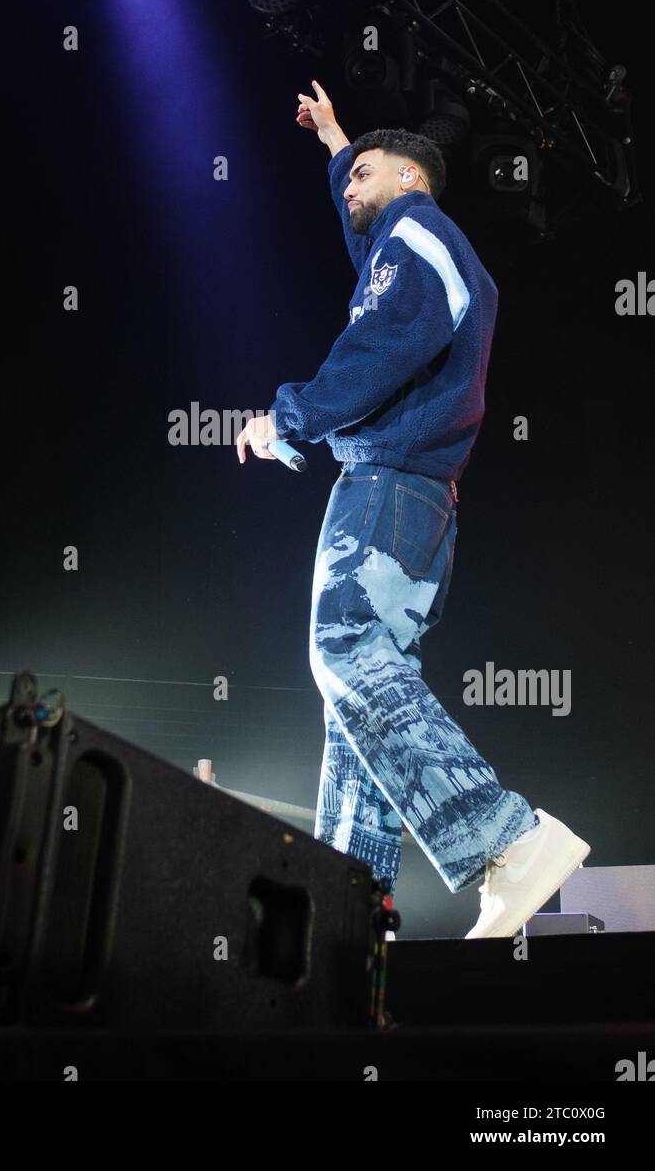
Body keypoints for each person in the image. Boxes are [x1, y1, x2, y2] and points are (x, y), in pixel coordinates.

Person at [235, 81, 589, 938]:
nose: (349, 188)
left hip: (388, 486)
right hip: (417, 501)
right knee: (361, 707)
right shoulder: (413, 242)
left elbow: (379, 343)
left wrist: (288, 413)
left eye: (364, 175)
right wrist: (335, 143)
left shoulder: (421, 235)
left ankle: (504, 839)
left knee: (345, 653)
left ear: (413, 179)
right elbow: (375, 273)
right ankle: (345, 915)